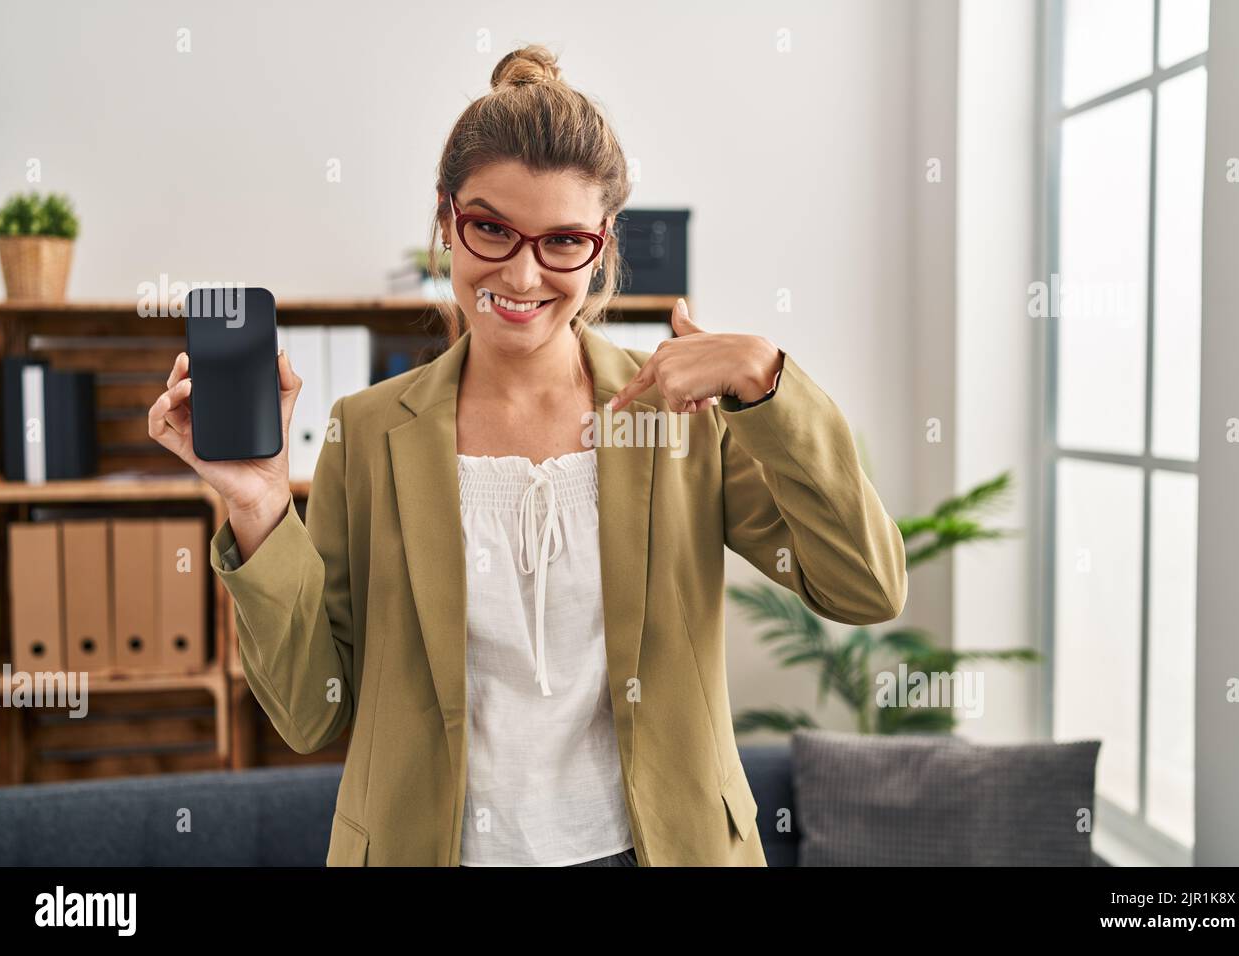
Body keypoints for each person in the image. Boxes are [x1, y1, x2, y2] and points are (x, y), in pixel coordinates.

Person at [148, 45, 907, 867]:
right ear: (447, 219)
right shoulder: (367, 433)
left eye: (563, 242)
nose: (521, 273)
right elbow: (308, 713)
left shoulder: (683, 418)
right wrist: (260, 507)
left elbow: (863, 587)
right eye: (491, 228)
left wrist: (769, 383)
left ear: (604, 243)